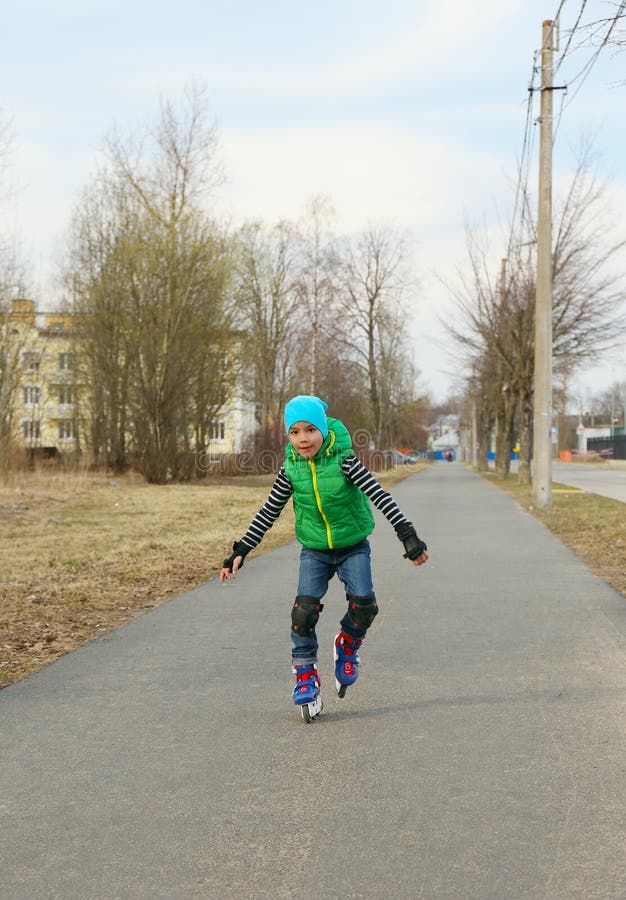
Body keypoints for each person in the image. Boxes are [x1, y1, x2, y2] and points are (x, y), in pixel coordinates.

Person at [220, 395, 428, 715]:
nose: (302, 439)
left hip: (352, 545)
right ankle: (305, 675)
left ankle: (347, 643)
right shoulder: (291, 468)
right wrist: (242, 549)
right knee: (303, 612)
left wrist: (408, 535)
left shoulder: (345, 461)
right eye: (294, 432)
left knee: (364, 605)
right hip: (314, 550)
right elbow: (268, 512)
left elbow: (380, 496)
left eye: (310, 430)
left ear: (323, 430)